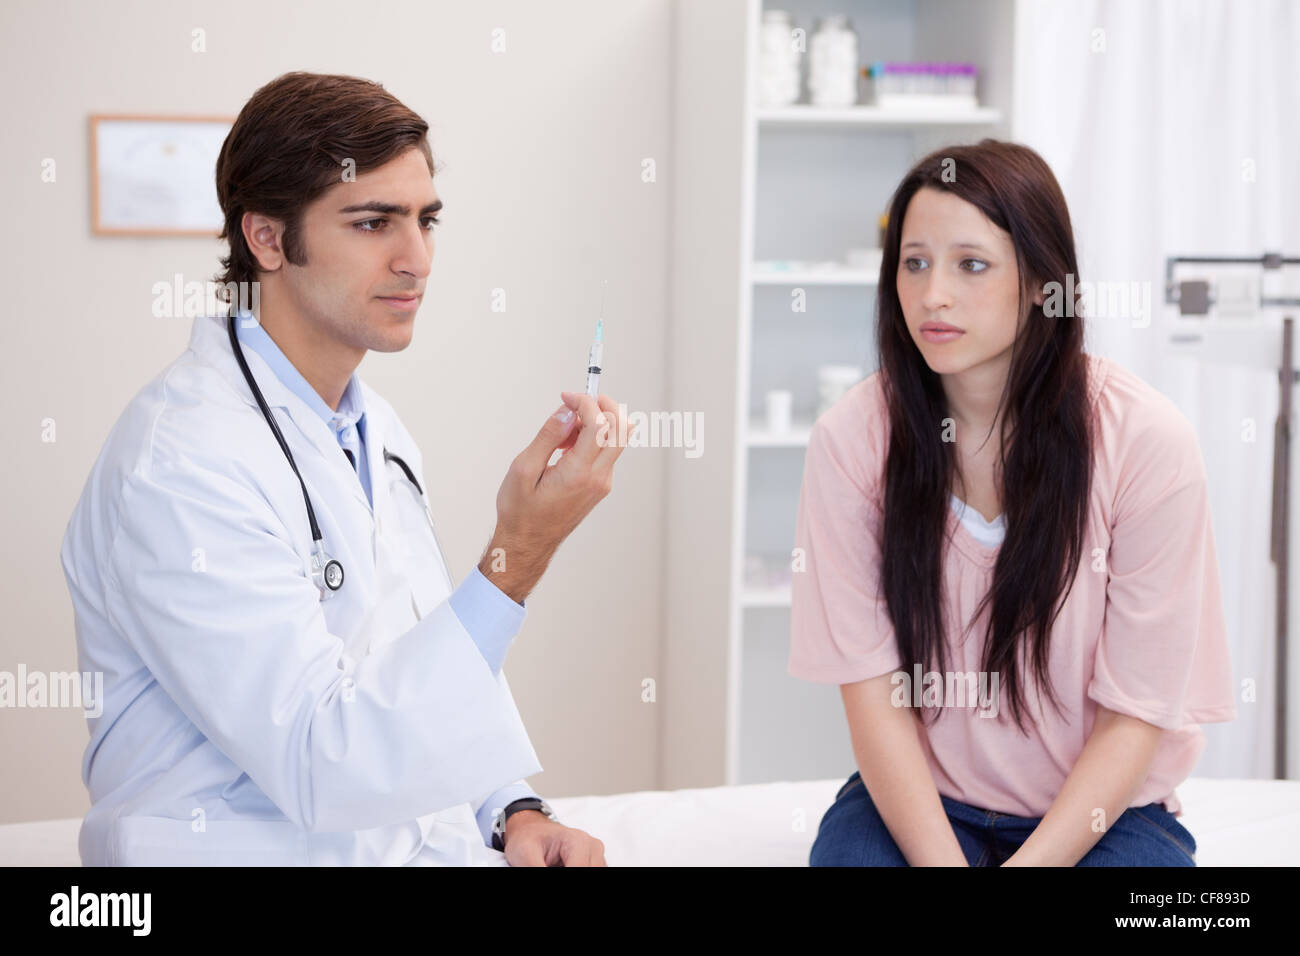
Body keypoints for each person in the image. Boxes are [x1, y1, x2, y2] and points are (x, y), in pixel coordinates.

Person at [60, 72, 627, 866]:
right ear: (266, 238)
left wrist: (512, 810)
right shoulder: (180, 465)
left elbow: (421, 648)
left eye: (426, 220)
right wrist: (519, 551)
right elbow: (323, 761)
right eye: (373, 223)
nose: (417, 258)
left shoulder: (370, 427)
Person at [789, 140, 1237, 867]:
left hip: (1106, 815)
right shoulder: (852, 441)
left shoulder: (1146, 442)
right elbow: (872, 695)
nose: (933, 294)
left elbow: (1136, 715)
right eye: (914, 261)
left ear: (1039, 282)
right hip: (925, 804)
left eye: (971, 264)